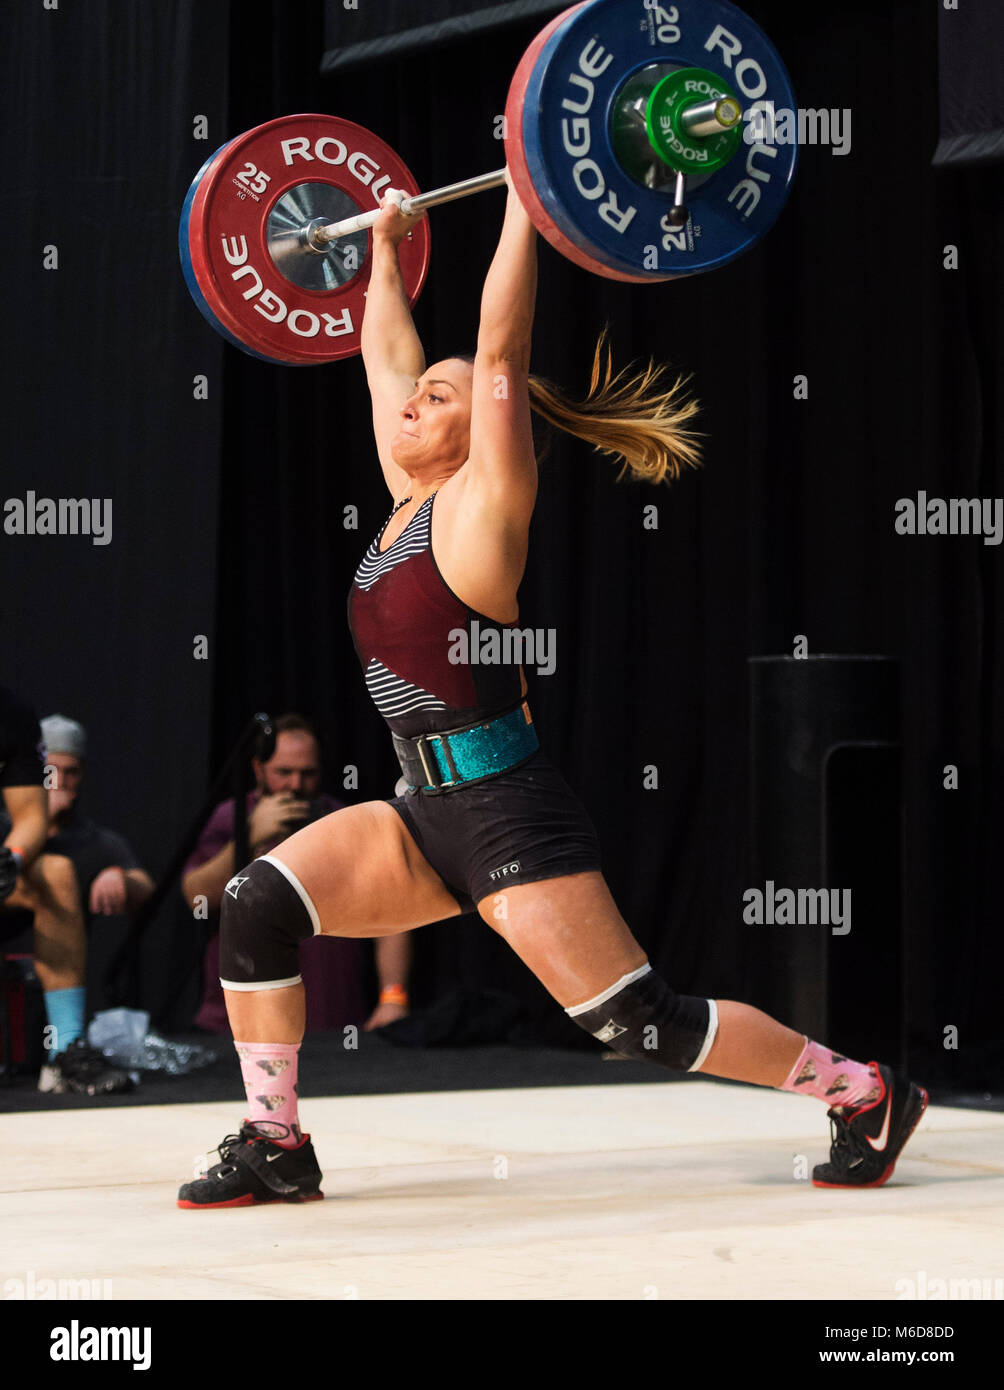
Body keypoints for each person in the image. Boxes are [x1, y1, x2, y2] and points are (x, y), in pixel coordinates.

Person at [177, 178, 927, 1209]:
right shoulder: (405, 497)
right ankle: (274, 1141)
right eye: (414, 395)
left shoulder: (483, 513)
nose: (413, 401)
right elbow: (384, 352)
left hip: (504, 810)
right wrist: (386, 247)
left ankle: (862, 1090)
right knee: (256, 902)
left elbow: (498, 352)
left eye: (439, 398)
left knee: (637, 1020)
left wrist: (526, 202)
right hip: (419, 809)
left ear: (478, 432)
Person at [181, 713, 412, 1034]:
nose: (295, 785)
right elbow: (197, 898)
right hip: (243, 1017)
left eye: (307, 774)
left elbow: (393, 911)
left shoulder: (343, 820)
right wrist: (248, 837)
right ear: (258, 770)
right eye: (283, 773)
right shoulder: (231, 816)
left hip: (331, 1012)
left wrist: (393, 996)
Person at [0, 696, 132, 1093]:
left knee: (56, 872)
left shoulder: (13, 719)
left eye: (68, 772)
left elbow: (30, 818)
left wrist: (11, 859)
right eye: (50, 771)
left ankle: (63, 1053)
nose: (58, 782)